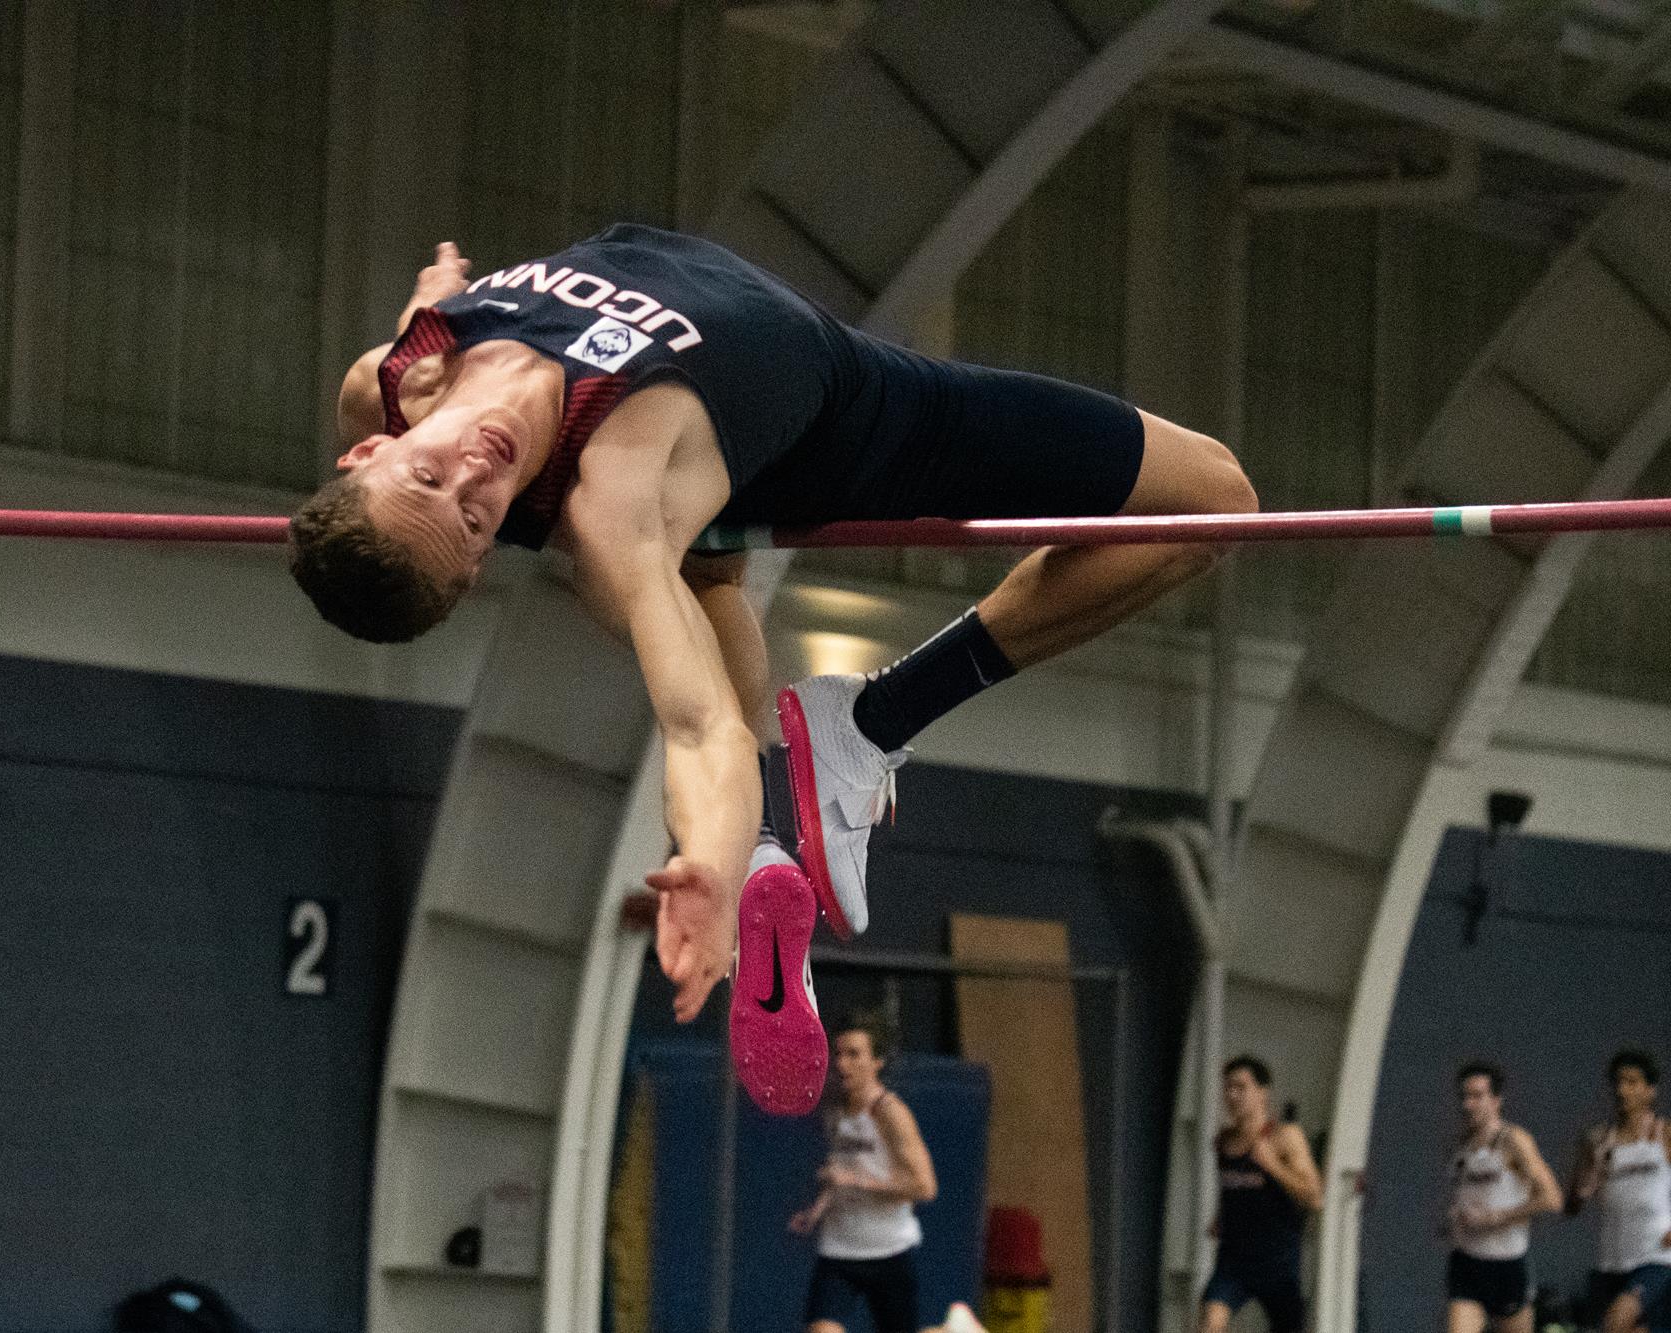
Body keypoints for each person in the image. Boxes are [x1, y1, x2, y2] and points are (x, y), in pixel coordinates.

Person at [289, 227, 1257, 1040]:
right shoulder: (613, 498)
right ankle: (835, 761)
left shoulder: (391, 377)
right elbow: (696, 722)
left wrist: (442, 298)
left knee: (706, 571)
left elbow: (412, 381)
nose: (472, 477)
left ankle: (799, 800)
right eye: (473, 524)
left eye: (428, 479)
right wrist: (702, 868)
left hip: (712, 427)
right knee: (1211, 502)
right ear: (479, 560)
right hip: (851, 417)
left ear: (374, 445)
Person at [788, 1015, 938, 1333]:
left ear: (877, 1061)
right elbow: (843, 1172)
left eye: (854, 1054)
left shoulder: (889, 1112)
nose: (842, 1064)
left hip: (888, 1251)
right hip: (839, 1250)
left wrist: (856, 1182)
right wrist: (816, 1211)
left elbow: (924, 1186)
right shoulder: (834, 1111)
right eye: (838, 1054)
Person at [1199, 1055, 1321, 1333]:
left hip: (1278, 1265)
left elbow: (1315, 1197)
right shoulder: (1224, 1141)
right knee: (1210, 1323)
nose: (1232, 1095)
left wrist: (1273, 1166)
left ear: (1262, 1092)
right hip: (1233, 1261)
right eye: (1228, 1088)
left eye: (1241, 1087)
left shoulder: (1285, 1137)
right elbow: (1234, 1187)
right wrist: (1221, 1215)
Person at [1442, 1061, 1562, 1333]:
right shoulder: (1462, 1145)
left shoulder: (1513, 1140)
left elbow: (1552, 1198)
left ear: (1496, 1100)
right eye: (1464, 1096)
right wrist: (1453, 1221)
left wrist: (1498, 1218)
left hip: (1506, 1265)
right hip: (1466, 1263)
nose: (1468, 1104)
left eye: (1477, 1096)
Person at [1566, 1050, 1671, 1333]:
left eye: (1632, 1082)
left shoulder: (1663, 1134)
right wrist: (1584, 1183)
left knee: (1616, 1322)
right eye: (1618, 1082)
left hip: (1656, 1259)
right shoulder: (1597, 1140)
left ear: (1651, 1090)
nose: (1622, 1090)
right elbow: (1572, 1205)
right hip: (1611, 1261)